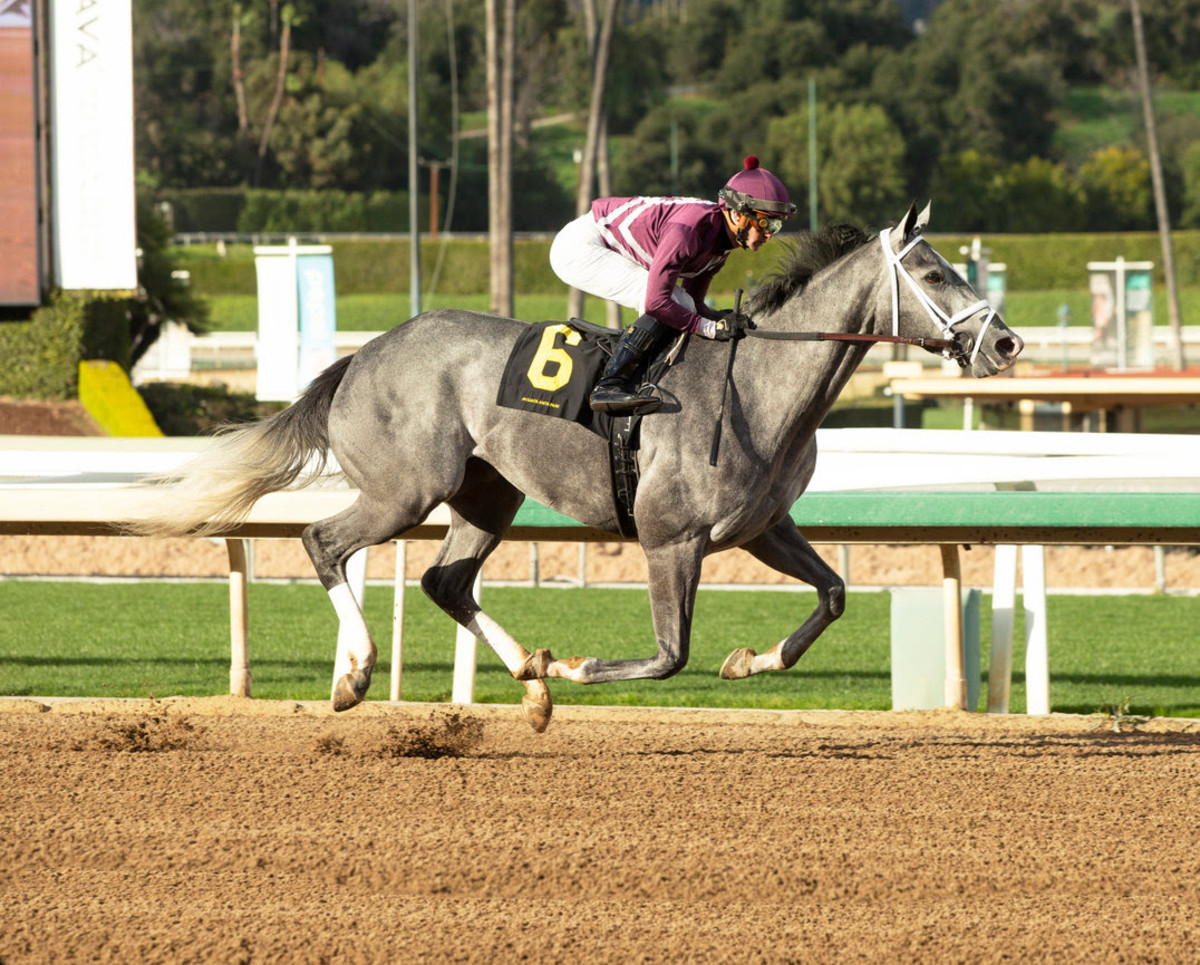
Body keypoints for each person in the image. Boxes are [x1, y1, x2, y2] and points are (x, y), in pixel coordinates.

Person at [550, 155, 796, 414]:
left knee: (683, 305)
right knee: (672, 302)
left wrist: (721, 318)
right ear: (737, 215)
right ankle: (608, 386)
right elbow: (656, 303)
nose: (769, 234)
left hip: (599, 242)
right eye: (766, 222)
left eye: (777, 225)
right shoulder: (689, 231)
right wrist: (712, 329)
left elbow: (696, 304)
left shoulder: (721, 244)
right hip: (580, 247)